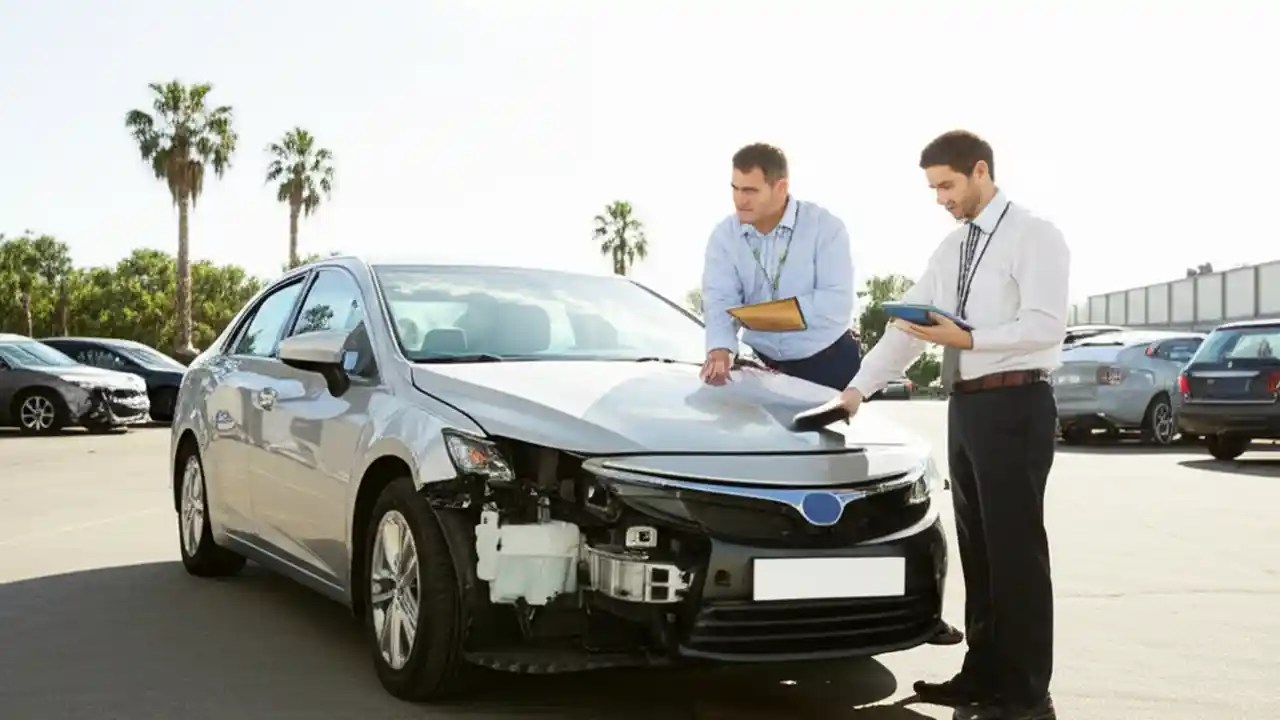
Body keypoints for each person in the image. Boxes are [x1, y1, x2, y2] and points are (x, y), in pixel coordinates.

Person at [816, 130, 1067, 720]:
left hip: (1017, 403)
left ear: (981, 171)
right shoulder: (952, 250)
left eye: (947, 185)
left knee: (1015, 551)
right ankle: (981, 675)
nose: (940, 198)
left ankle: (1025, 688)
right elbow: (906, 328)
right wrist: (855, 392)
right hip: (969, 407)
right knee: (979, 549)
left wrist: (970, 338)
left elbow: (1046, 326)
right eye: (933, 187)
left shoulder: (1035, 234)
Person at [699, 143, 861, 390]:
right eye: (735, 188)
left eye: (751, 190)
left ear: (781, 187)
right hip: (761, 367)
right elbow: (719, 299)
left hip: (830, 364)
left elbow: (836, 302)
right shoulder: (724, 237)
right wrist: (720, 348)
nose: (740, 200)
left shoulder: (826, 229)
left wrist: (770, 316)